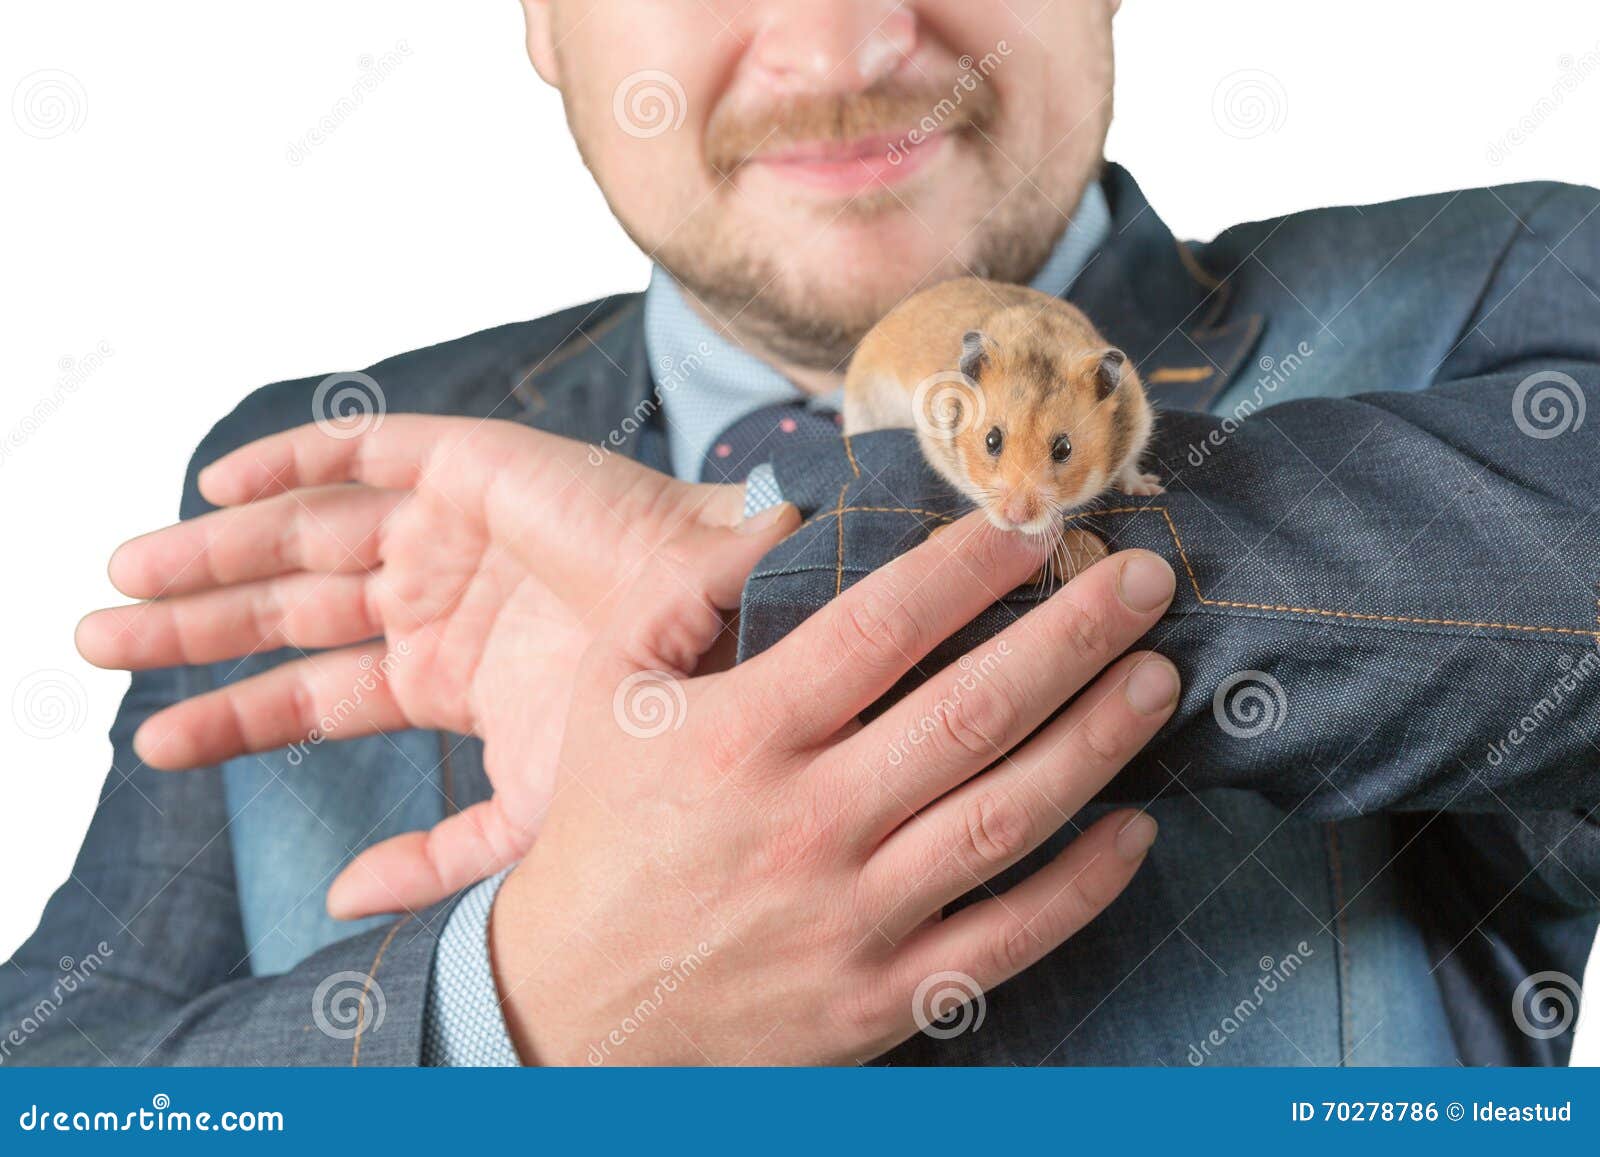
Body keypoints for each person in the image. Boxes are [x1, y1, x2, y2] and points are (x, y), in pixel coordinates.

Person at [4, 0, 1597, 1066]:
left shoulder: (1497, 295)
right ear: (545, 20)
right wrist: (512, 1004)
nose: (846, 38)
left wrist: (765, 578)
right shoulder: (324, 481)